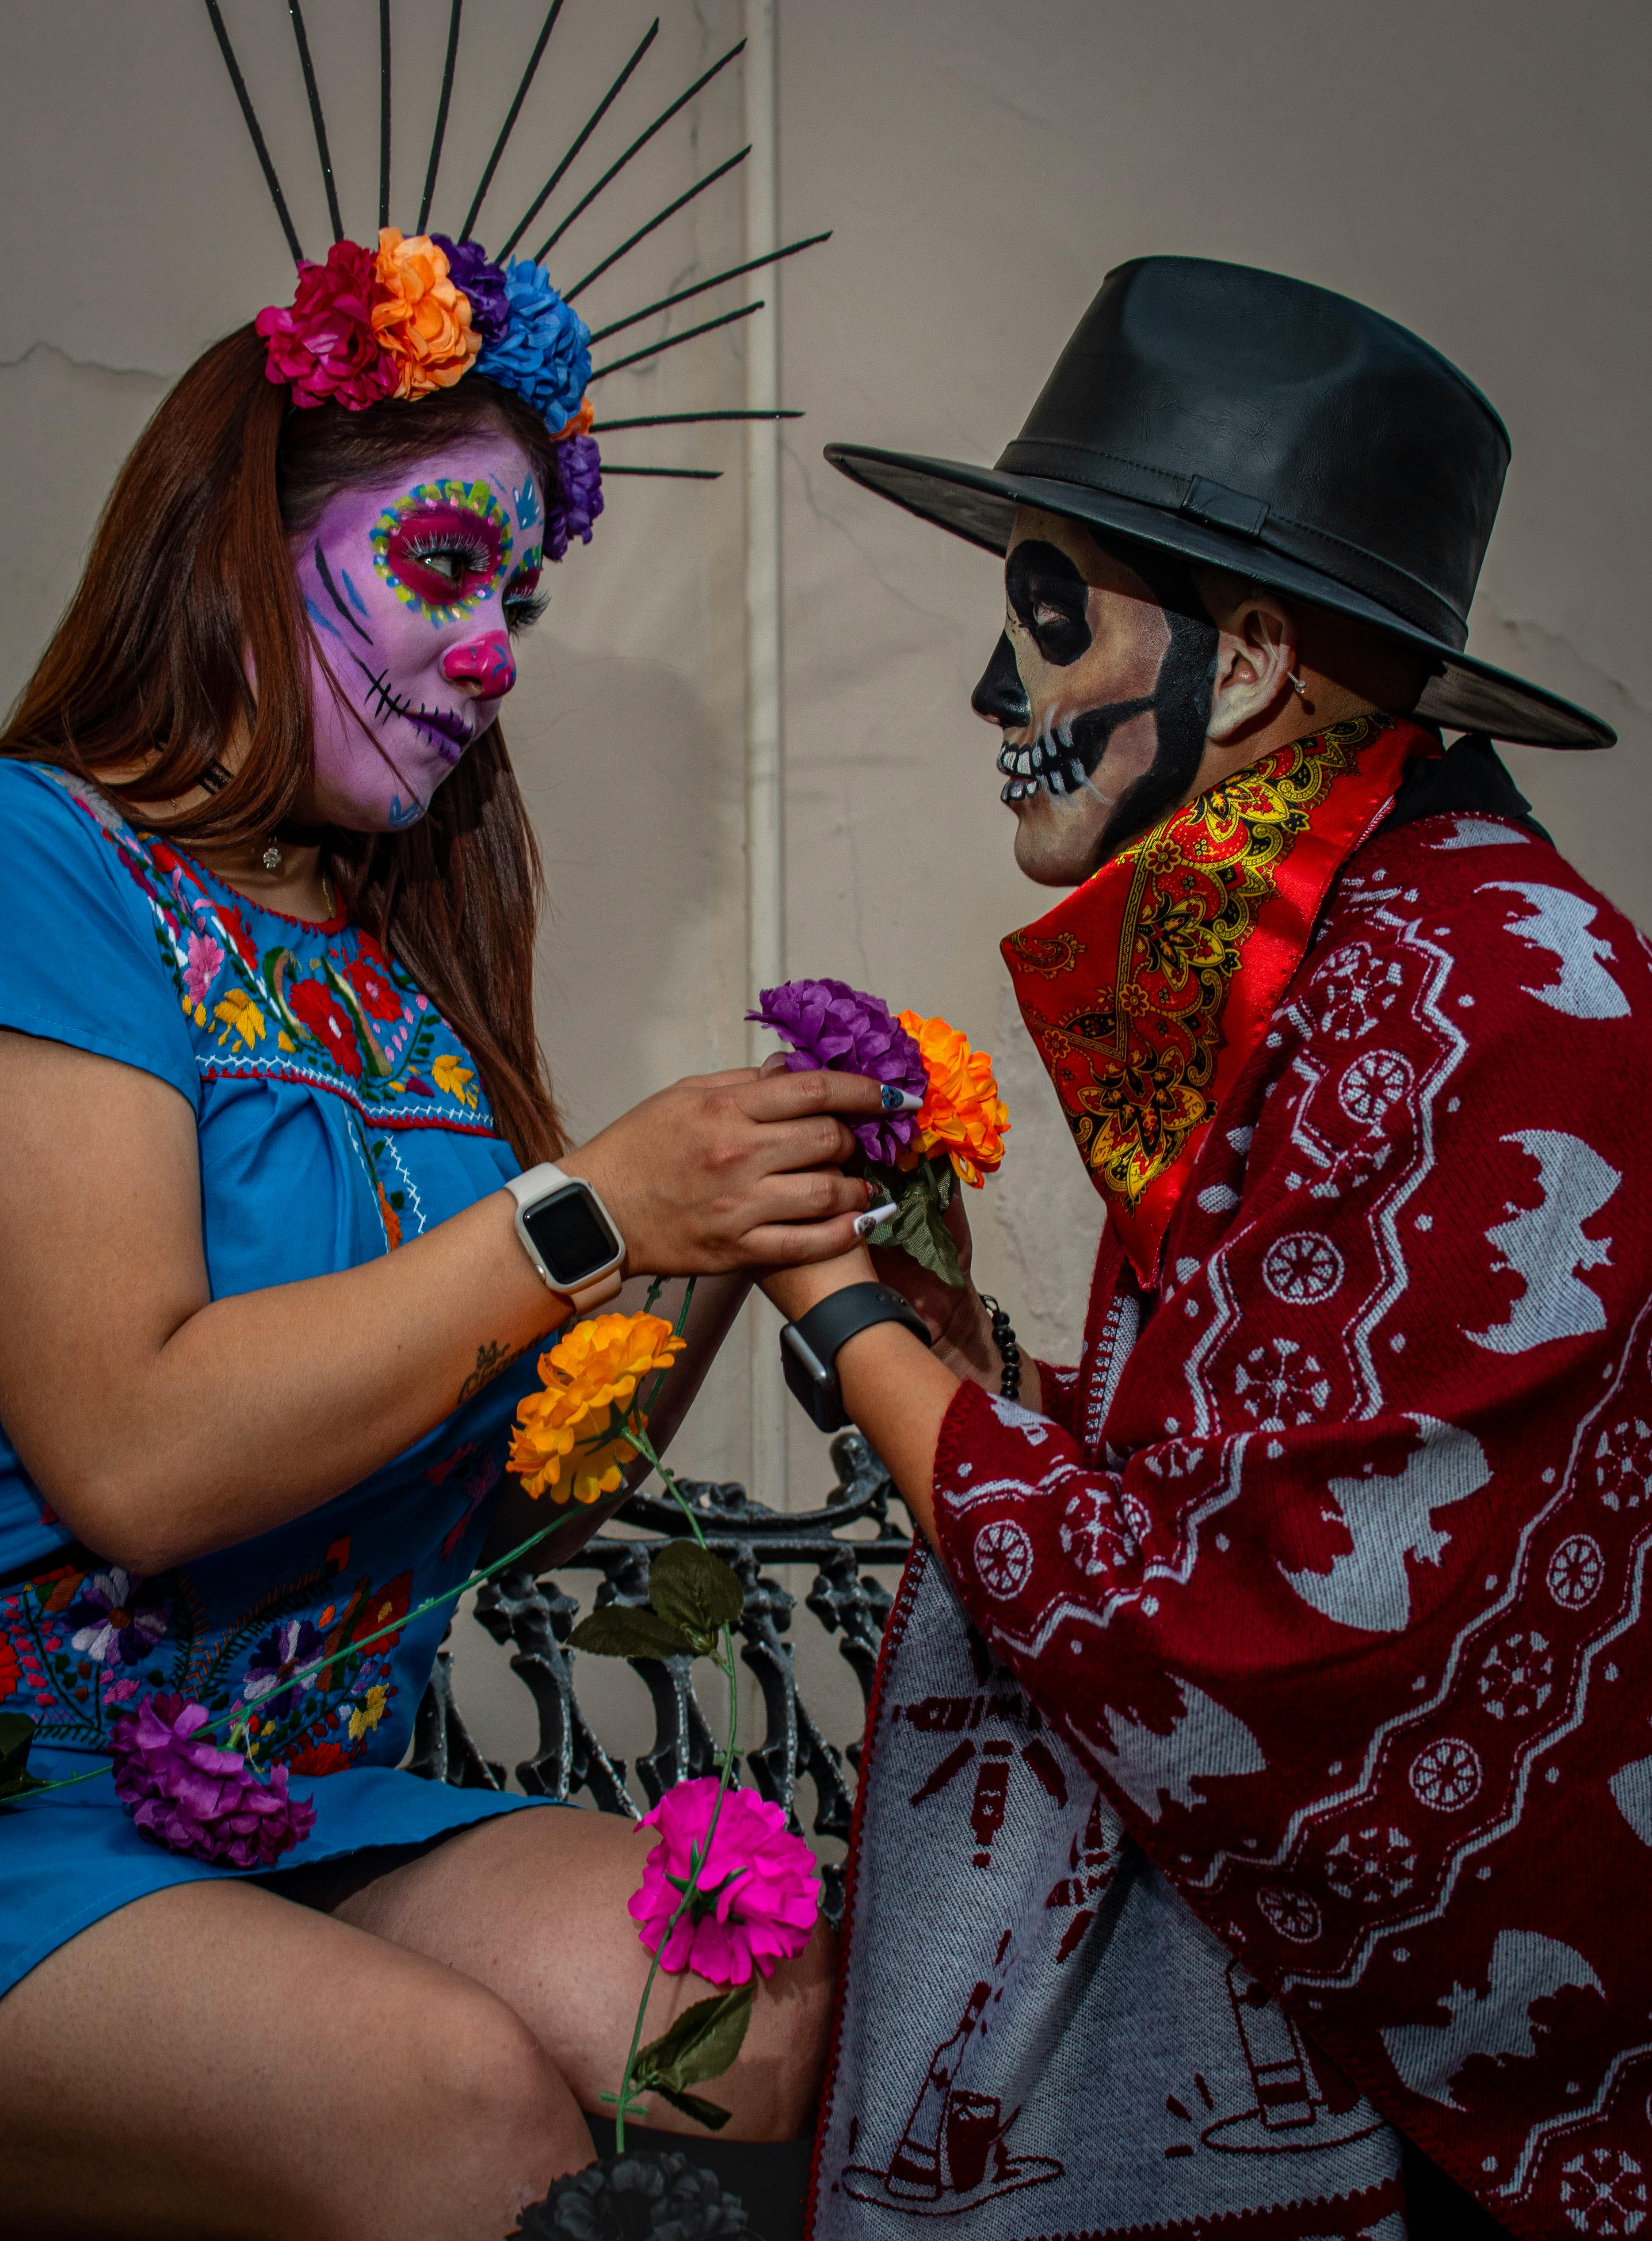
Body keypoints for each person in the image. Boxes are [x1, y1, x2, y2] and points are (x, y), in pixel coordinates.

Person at [0, 317, 899, 2236]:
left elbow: (528, 1493)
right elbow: (136, 1459)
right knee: (441, 2096)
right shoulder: (15, 852)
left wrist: (727, 1229)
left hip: (285, 1788)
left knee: (764, 2005)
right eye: (442, 564)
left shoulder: (399, 987)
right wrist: (597, 1202)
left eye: (518, 601)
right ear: (230, 543)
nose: (491, 654)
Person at [767, 259, 1644, 2241]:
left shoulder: (1477, 992)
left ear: (1243, 668)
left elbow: (1262, 1633)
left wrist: (837, 1316)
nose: (994, 693)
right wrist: (991, 1379)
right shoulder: (1353, 944)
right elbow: (1279, 1461)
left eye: (1048, 613)